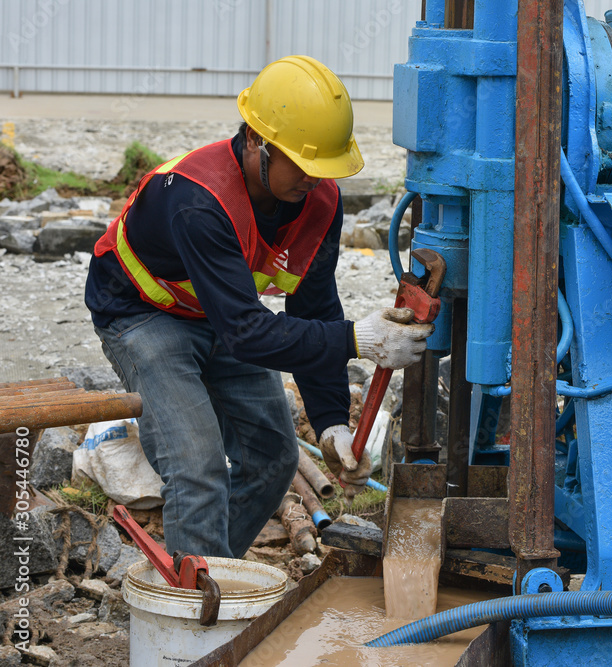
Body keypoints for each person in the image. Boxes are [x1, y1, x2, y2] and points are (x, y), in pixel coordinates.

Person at [84, 55, 433, 559]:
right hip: (142, 314)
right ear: (254, 141)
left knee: (273, 458)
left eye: (322, 167)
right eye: (303, 163)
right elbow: (249, 335)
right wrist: (362, 338)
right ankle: (195, 624)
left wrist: (332, 420)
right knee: (197, 469)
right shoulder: (198, 200)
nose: (314, 179)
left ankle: (209, 579)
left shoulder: (319, 202)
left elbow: (314, 308)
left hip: (223, 316)